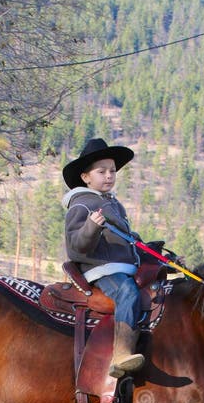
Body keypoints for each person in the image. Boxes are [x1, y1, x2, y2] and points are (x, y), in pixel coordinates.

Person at [62, 137, 145, 378]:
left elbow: (126, 240)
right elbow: (76, 246)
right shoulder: (81, 206)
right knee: (127, 292)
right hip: (102, 271)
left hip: (122, 268)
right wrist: (90, 227)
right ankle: (121, 354)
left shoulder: (114, 204)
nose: (109, 176)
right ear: (86, 177)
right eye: (101, 171)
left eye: (112, 171)